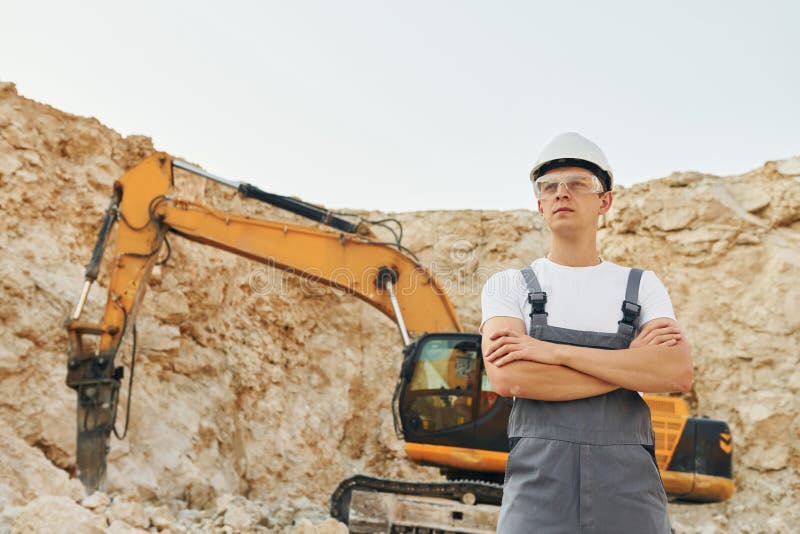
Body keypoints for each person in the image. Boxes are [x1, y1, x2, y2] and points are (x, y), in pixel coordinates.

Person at [480, 132, 692, 533]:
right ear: (539, 205)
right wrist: (628, 364)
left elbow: (675, 373)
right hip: (538, 495)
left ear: (605, 201)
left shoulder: (641, 285)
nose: (562, 193)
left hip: (630, 495)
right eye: (549, 186)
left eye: (578, 183)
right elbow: (509, 377)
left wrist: (554, 353)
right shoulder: (507, 286)